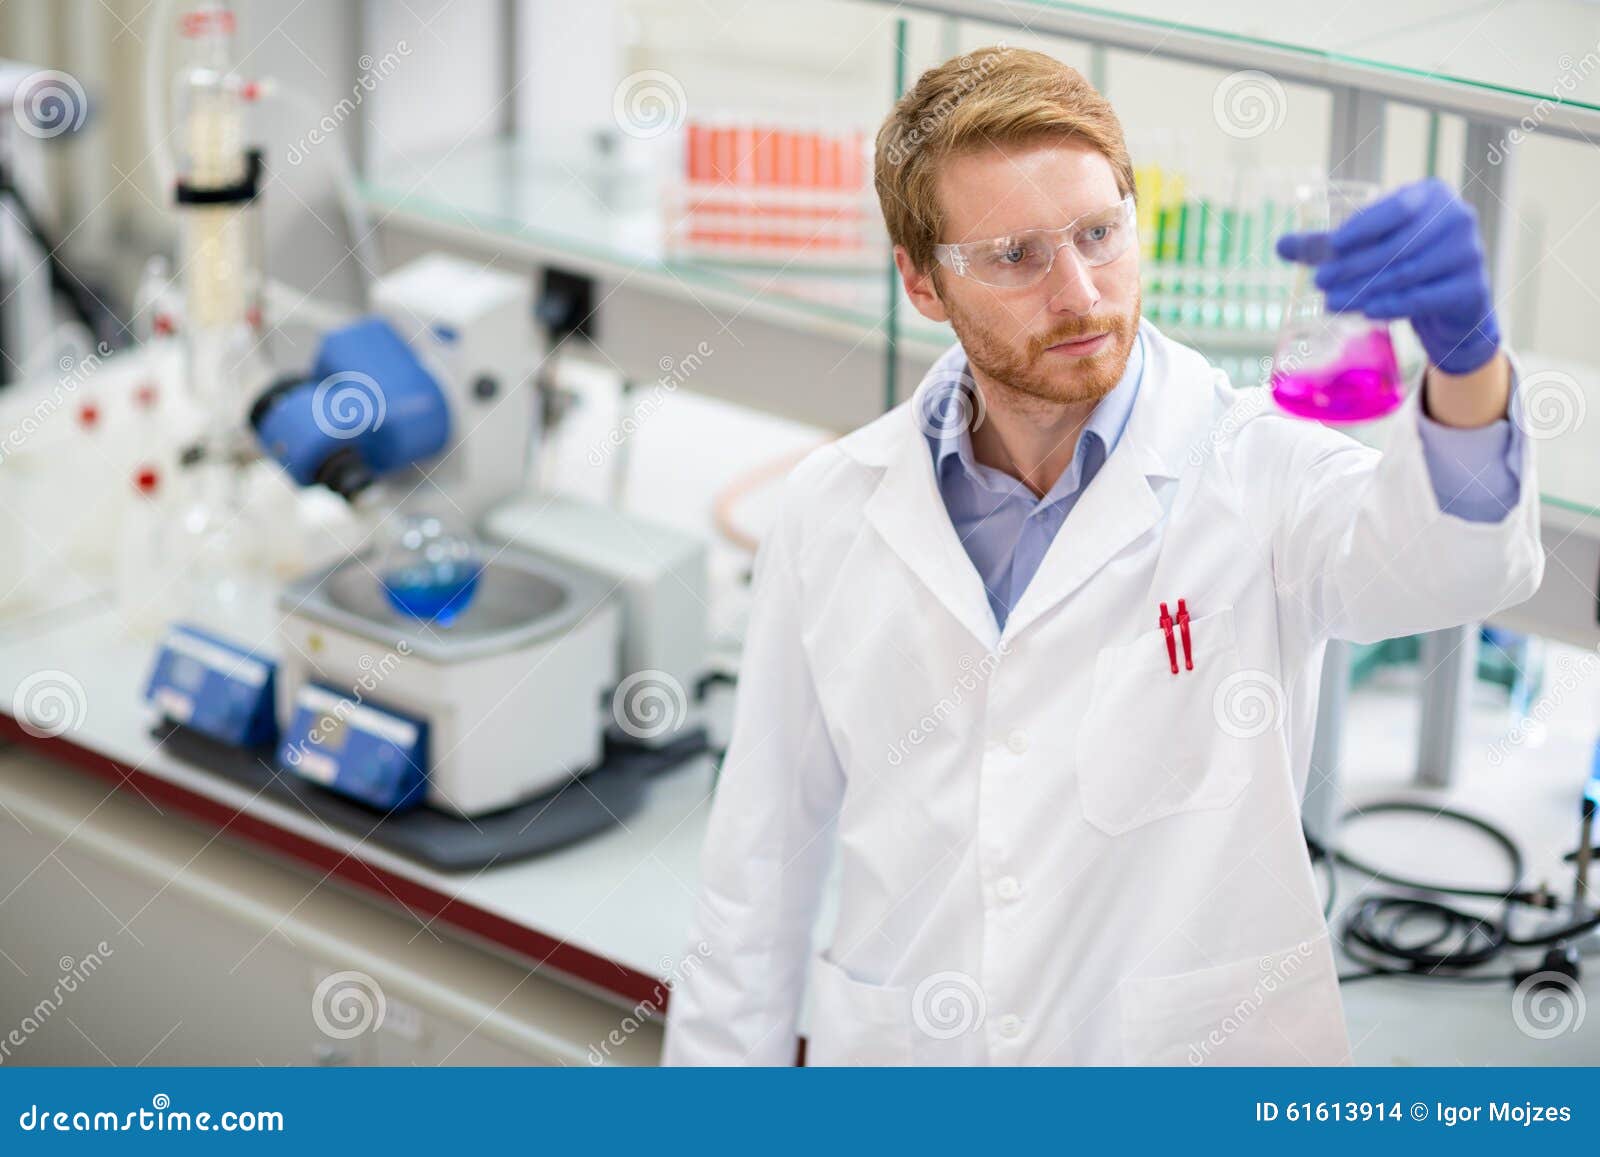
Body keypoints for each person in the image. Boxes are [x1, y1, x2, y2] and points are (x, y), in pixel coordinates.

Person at [662, 46, 1540, 1066]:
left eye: (1098, 233)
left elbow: (1457, 564)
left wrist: (1468, 360)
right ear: (921, 281)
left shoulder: (1251, 468)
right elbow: (753, 879)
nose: (1079, 292)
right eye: (1014, 255)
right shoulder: (830, 510)